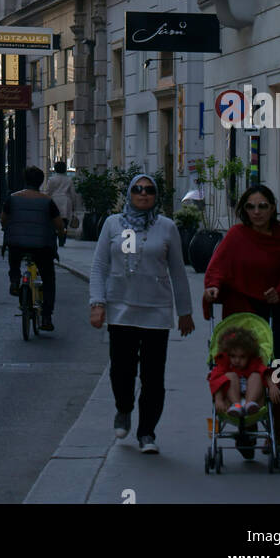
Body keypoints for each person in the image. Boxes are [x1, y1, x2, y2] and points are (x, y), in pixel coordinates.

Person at [89, 172, 195, 453]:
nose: (143, 193)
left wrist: (185, 312)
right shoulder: (112, 224)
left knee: (153, 377)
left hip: (156, 312)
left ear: (155, 195)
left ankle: (147, 432)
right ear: (130, 194)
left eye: (149, 190)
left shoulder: (167, 227)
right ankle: (123, 409)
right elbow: (99, 266)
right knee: (121, 370)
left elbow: (178, 272)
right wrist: (97, 303)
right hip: (120, 309)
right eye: (137, 189)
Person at [202, 183, 280, 449]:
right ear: (244, 210)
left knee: (277, 370)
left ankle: (276, 434)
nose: (257, 212)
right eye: (251, 207)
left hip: (276, 311)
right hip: (242, 310)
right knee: (239, 368)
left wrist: (279, 292)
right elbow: (217, 268)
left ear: (273, 208)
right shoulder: (236, 235)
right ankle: (248, 426)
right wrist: (213, 286)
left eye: (263, 206)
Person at [0, 166, 65, 332]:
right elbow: (58, 225)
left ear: (25, 180)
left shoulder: (12, 198)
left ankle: (15, 280)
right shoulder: (47, 201)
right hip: (42, 246)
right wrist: (61, 234)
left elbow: (4, 220)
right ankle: (46, 317)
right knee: (49, 278)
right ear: (41, 182)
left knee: (14, 256)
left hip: (17, 243)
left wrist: (9, 229)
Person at [208, 324, 280, 417]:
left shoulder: (253, 363)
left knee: (257, 375)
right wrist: (218, 399)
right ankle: (237, 405)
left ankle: (248, 404)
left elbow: (265, 372)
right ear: (227, 354)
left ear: (249, 355)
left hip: (254, 402)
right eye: (233, 356)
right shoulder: (224, 364)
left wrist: (272, 386)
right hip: (231, 404)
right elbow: (216, 380)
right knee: (229, 376)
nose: (237, 361)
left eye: (242, 357)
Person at [45, 160, 75, 243]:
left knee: (54, 221)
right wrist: (74, 205)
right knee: (64, 222)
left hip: (55, 201)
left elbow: (48, 192)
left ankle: (54, 237)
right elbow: (73, 193)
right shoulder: (69, 180)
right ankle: (62, 238)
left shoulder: (51, 179)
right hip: (66, 201)